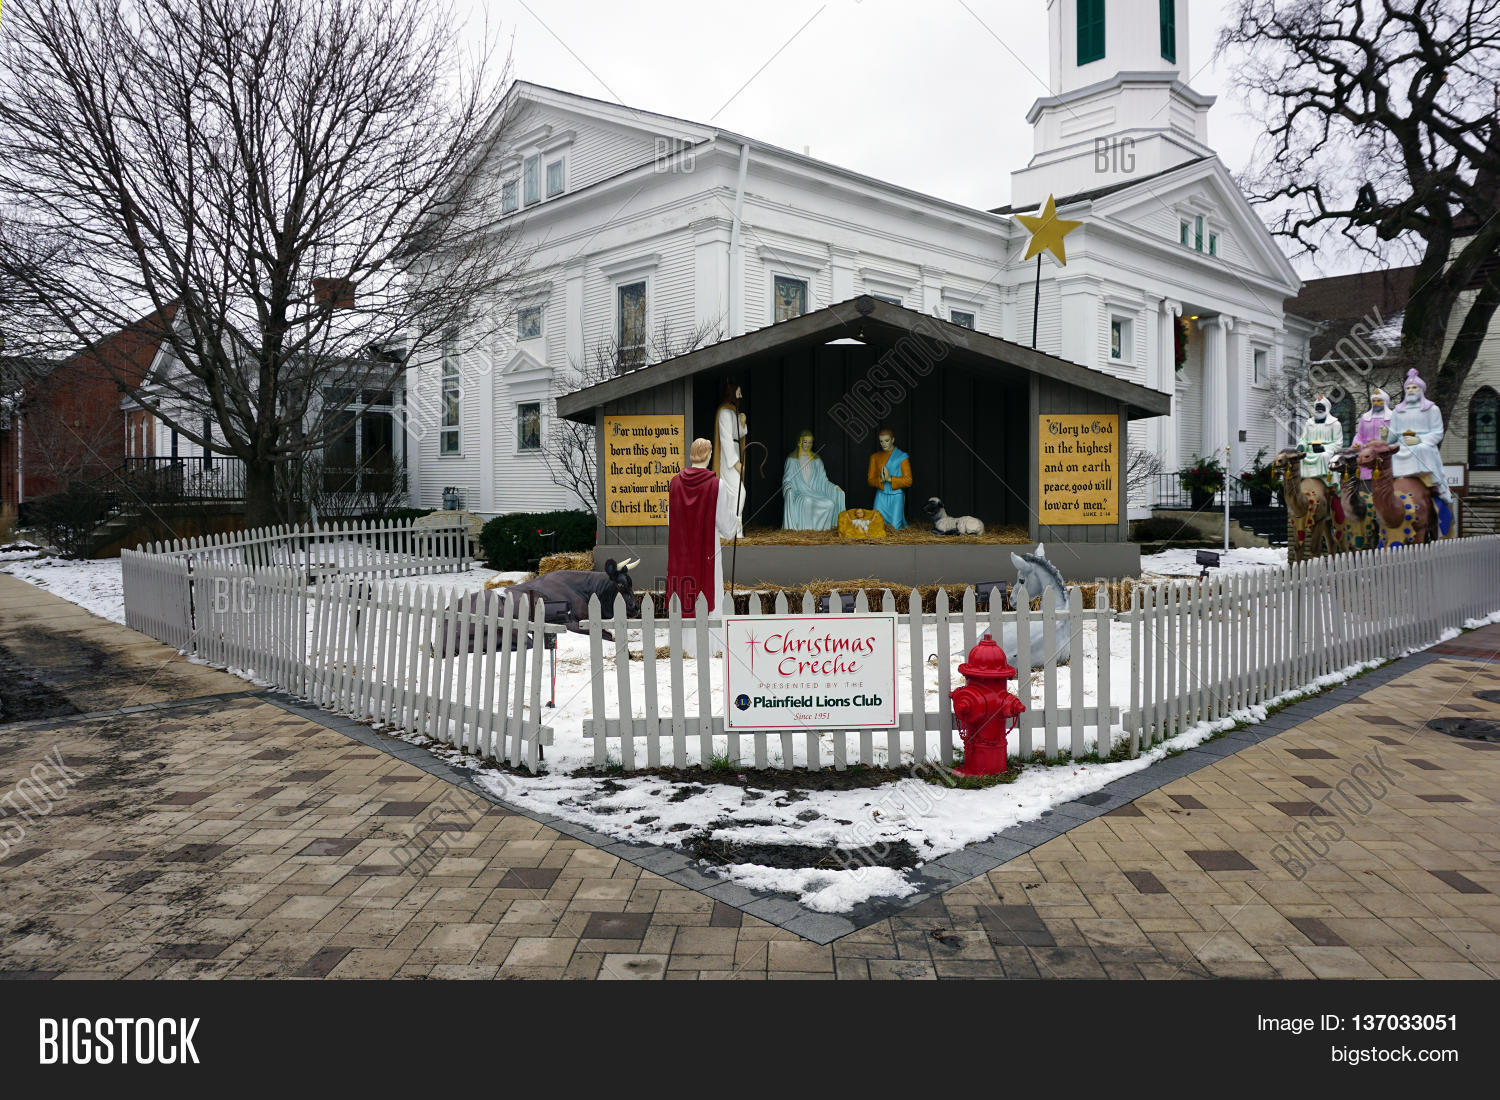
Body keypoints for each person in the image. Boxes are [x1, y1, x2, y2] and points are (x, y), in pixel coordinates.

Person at [667, 437, 739, 616]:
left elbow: (671, 519)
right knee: (709, 593)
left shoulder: (675, 483)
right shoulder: (717, 485)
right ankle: (710, 644)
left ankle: (682, 643)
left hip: (681, 554)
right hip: (708, 551)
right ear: (708, 455)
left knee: (681, 593)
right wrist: (735, 520)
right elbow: (725, 524)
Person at [1388, 367, 1455, 529]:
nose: (1411, 390)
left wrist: (1419, 439)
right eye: (1408, 388)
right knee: (1393, 451)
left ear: (1421, 390)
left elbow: (1437, 433)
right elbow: (1394, 434)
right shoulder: (1398, 411)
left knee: (1421, 449)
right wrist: (1386, 434)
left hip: (1422, 445)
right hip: (1403, 445)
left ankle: (1431, 484)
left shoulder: (1432, 409)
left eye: (1414, 387)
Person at [781, 430, 845, 530]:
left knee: (830, 504)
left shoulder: (817, 459)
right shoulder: (792, 459)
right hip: (799, 493)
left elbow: (823, 480)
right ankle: (806, 530)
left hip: (816, 492)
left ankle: (823, 530)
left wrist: (835, 487)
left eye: (810, 442)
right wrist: (788, 488)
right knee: (807, 501)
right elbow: (787, 478)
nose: (807, 444)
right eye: (805, 441)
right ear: (800, 442)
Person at [712, 378, 747, 538]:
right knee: (739, 492)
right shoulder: (725, 412)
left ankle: (732, 529)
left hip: (733, 452)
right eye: (738, 392)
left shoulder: (732, 412)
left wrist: (743, 424)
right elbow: (726, 439)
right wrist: (736, 463)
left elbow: (738, 435)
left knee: (733, 495)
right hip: (728, 460)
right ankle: (731, 526)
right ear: (731, 393)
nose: (740, 396)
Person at [866, 427, 912, 530]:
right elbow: (870, 480)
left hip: (896, 495)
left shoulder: (901, 456)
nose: (884, 444)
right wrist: (881, 480)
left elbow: (908, 481)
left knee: (895, 528)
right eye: (881, 441)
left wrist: (889, 478)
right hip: (881, 495)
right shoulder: (875, 457)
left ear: (893, 440)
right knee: (875, 526)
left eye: (887, 440)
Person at [1297, 394, 1344, 485]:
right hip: (1310, 450)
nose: (1319, 410)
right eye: (1317, 407)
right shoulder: (1309, 423)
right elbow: (1304, 439)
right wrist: (1301, 446)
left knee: (1324, 456)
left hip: (1326, 450)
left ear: (1326, 408)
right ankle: (1302, 481)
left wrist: (1323, 448)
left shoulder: (1335, 423)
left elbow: (1338, 443)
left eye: (1321, 407)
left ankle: (1328, 483)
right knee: (1300, 458)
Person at [1350, 387, 1392, 480]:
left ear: (1384, 402)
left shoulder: (1391, 417)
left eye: (1379, 401)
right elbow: (1359, 436)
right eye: (1374, 401)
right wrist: (1357, 444)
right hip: (1366, 449)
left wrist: (1385, 438)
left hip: (1383, 450)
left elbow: (1396, 435)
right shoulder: (1365, 418)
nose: (1376, 403)